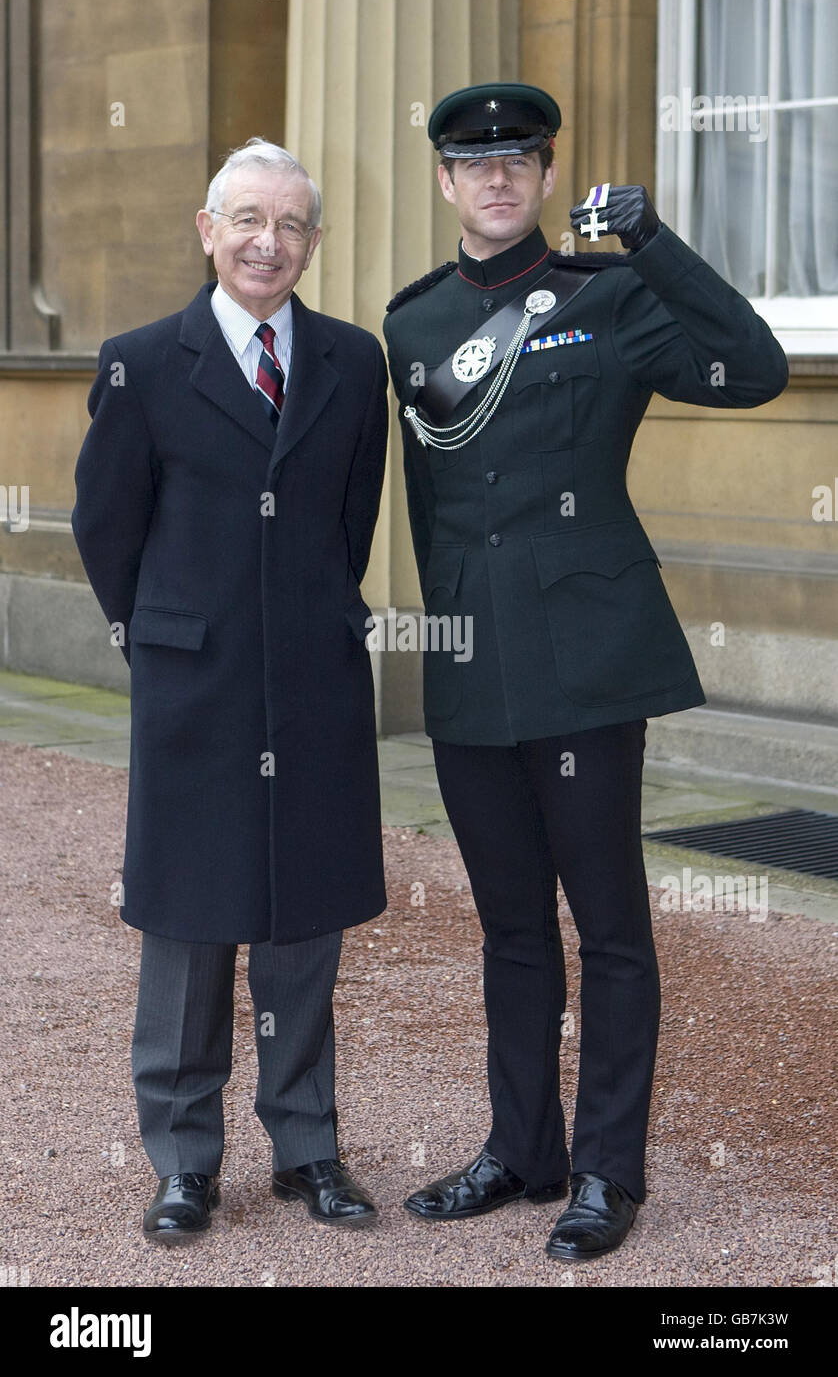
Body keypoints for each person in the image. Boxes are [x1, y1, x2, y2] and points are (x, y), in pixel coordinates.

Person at [382, 83, 788, 1261]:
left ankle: (608, 1170)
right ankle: (522, 1148)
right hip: (470, 661)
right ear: (447, 181)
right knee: (509, 926)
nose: (497, 177)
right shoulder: (411, 327)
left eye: (520, 158)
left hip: (588, 658)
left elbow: (752, 368)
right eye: (475, 161)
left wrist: (652, 242)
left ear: (549, 176)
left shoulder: (612, 298)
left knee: (607, 926)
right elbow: (428, 505)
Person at [73, 137, 389, 1243]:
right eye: (247, 219)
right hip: (193, 690)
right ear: (207, 231)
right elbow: (107, 529)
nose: (269, 241)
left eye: (291, 224)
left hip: (312, 680)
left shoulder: (355, 362)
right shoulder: (140, 362)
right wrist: (166, 637)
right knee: (191, 924)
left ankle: (308, 1147)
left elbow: (352, 523)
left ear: (311, 242)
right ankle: (184, 1160)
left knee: (303, 924)